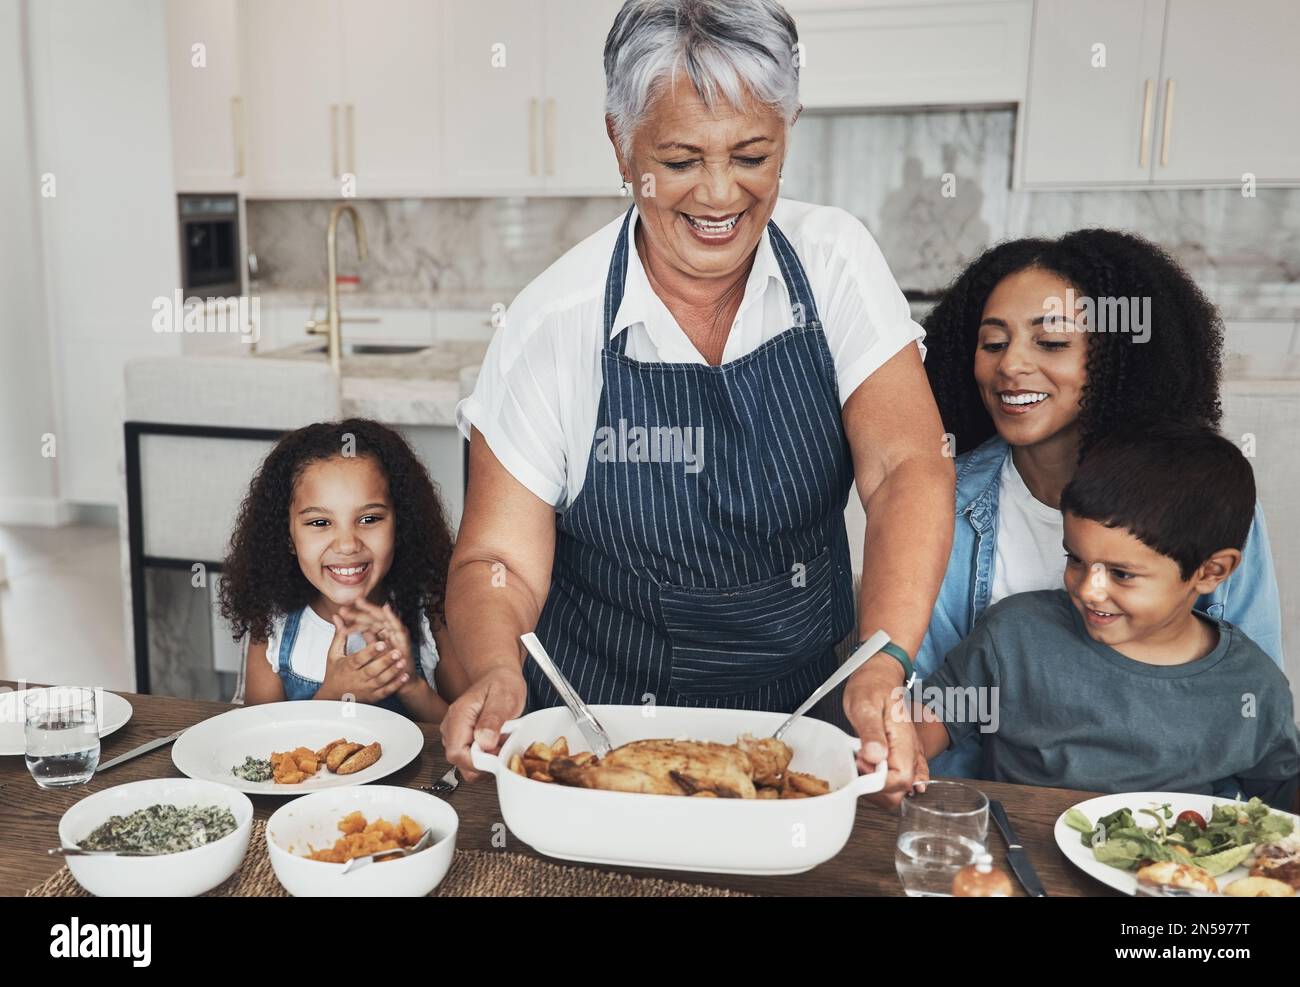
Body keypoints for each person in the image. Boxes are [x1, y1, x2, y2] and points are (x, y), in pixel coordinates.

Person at [442, 0, 954, 803]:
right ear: (620, 142)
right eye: (681, 160)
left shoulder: (835, 262)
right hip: (600, 749)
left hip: (804, 744)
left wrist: (881, 664)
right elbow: (498, 561)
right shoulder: (553, 324)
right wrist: (498, 671)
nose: (720, 195)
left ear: (789, 129)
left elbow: (905, 470)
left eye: (752, 154)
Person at [918, 230, 1284, 776]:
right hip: (991, 816)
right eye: (993, 343)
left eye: (1051, 342)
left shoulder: (1200, 505)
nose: (1011, 365)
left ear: (1117, 357)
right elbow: (929, 706)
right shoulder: (942, 500)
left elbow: (1245, 700)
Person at [916, 422, 1299, 810]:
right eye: (1076, 560)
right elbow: (937, 716)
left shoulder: (1252, 687)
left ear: (1210, 572)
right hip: (1016, 856)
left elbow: (1280, 788)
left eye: (1121, 574)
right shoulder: (1014, 634)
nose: (1087, 589)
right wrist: (904, 747)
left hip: (1176, 868)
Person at [219, 419, 463, 721]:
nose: (347, 545)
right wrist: (331, 696)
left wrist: (409, 684)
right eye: (320, 523)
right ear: (288, 538)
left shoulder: (432, 612)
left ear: (401, 525)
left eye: (370, 519)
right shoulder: (271, 623)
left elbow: (469, 735)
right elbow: (263, 739)